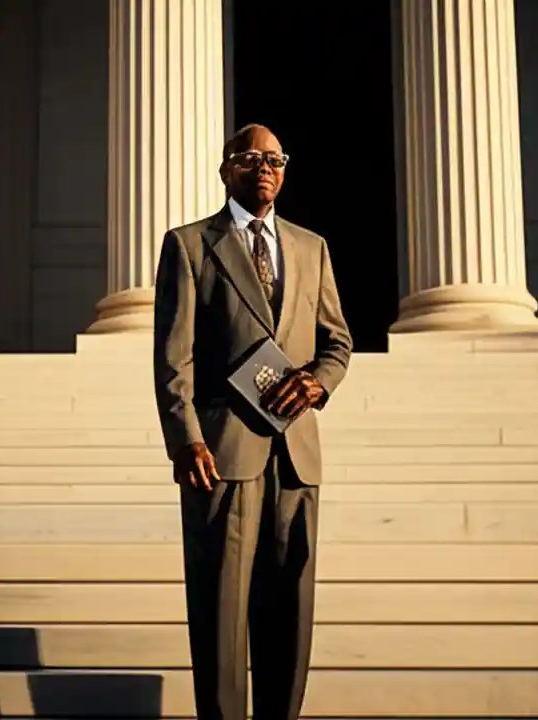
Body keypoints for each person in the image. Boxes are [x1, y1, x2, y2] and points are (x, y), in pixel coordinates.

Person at [152, 123, 353, 720]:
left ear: (284, 172)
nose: (263, 167)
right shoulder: (190, 245)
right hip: (221, 453)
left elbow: (337, 342)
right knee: (221, 612)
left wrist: (320, 380)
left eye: (274, 159)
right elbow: (172, 357)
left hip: (296, 452)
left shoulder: (311, 246)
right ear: (226, 171)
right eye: (249, 158)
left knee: (290, 608)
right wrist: (184, 437)